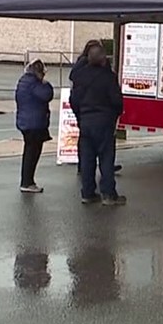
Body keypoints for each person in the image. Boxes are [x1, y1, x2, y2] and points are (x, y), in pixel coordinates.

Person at [69, 44, 126, 205]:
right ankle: (108, 194)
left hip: (86, 121)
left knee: (87, 160)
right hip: (104, 121)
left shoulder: (80, 76)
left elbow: (74, 100)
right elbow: (116, 101)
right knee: (106, 159)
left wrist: (80, 116)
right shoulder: (108, 77)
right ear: (102, 59)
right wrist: (115, 114)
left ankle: (87, 193)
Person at [15, 59, 55, 193]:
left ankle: (27, 181)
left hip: (25, 121)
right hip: (34, 123)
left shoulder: (23, 81)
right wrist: (46, 84)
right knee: (32, 153)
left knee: (29, 151)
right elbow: (47, 95)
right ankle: (27, 182)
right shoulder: (35, 84)